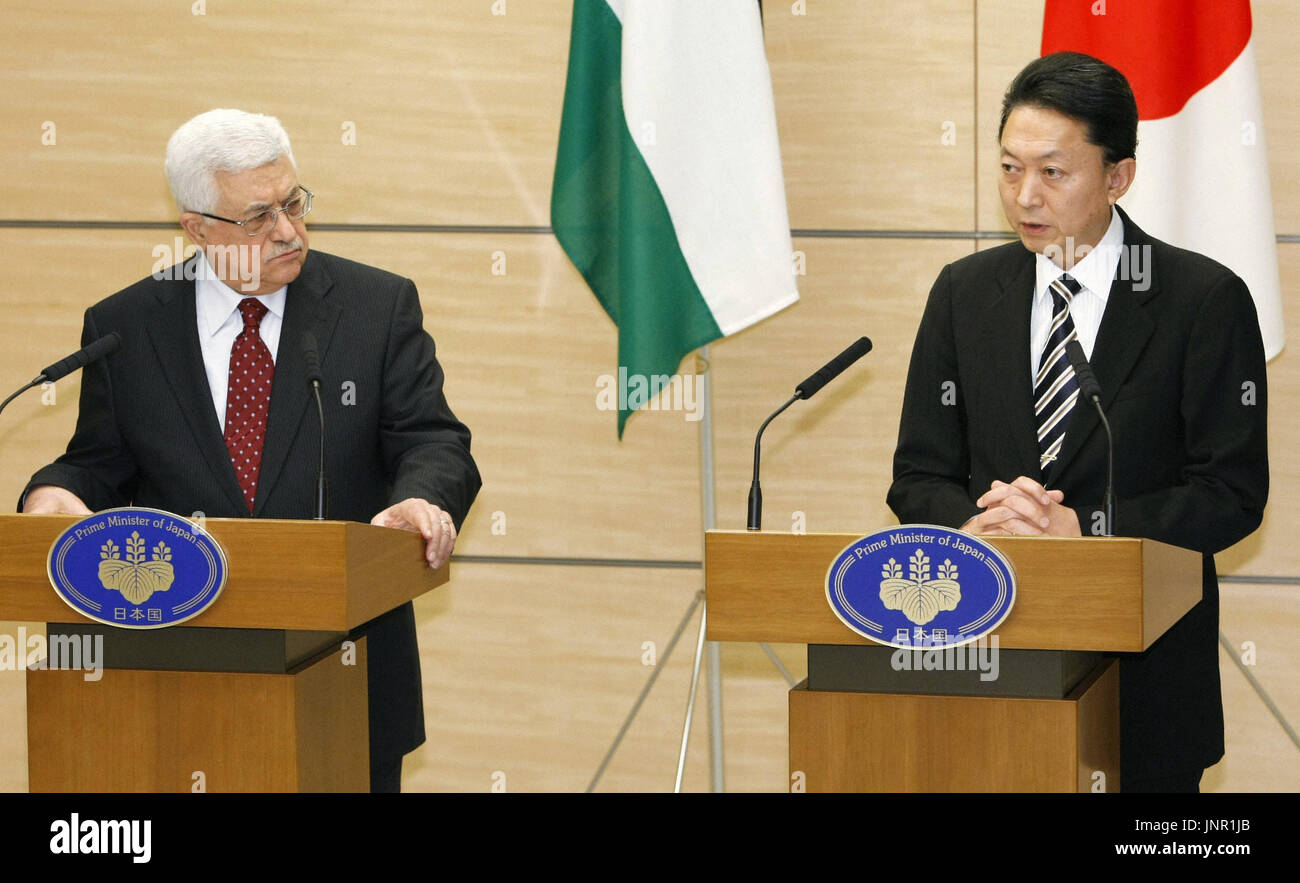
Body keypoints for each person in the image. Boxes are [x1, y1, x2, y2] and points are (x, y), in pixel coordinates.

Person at [20, 108, 481, 793]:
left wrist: (420, 497)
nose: (289, 231)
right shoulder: (126, 326)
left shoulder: (375, 306)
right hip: (171, 683)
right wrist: (58, 493)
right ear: (197, 226)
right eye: (258, 216)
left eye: (294, 203)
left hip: (345, 680)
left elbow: (433, 438)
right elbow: (98, 463)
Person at [887, 53, 1268, 792]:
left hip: (1146, 683)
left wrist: (1087, 529)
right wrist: (979, 525)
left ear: (1119, 175)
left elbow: (1231, 493)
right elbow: (919, 474)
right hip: (991, 664)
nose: (1024, 196)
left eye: (1053, 172)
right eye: (1008, 168)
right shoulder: (964, 294)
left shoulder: (1201, 300)